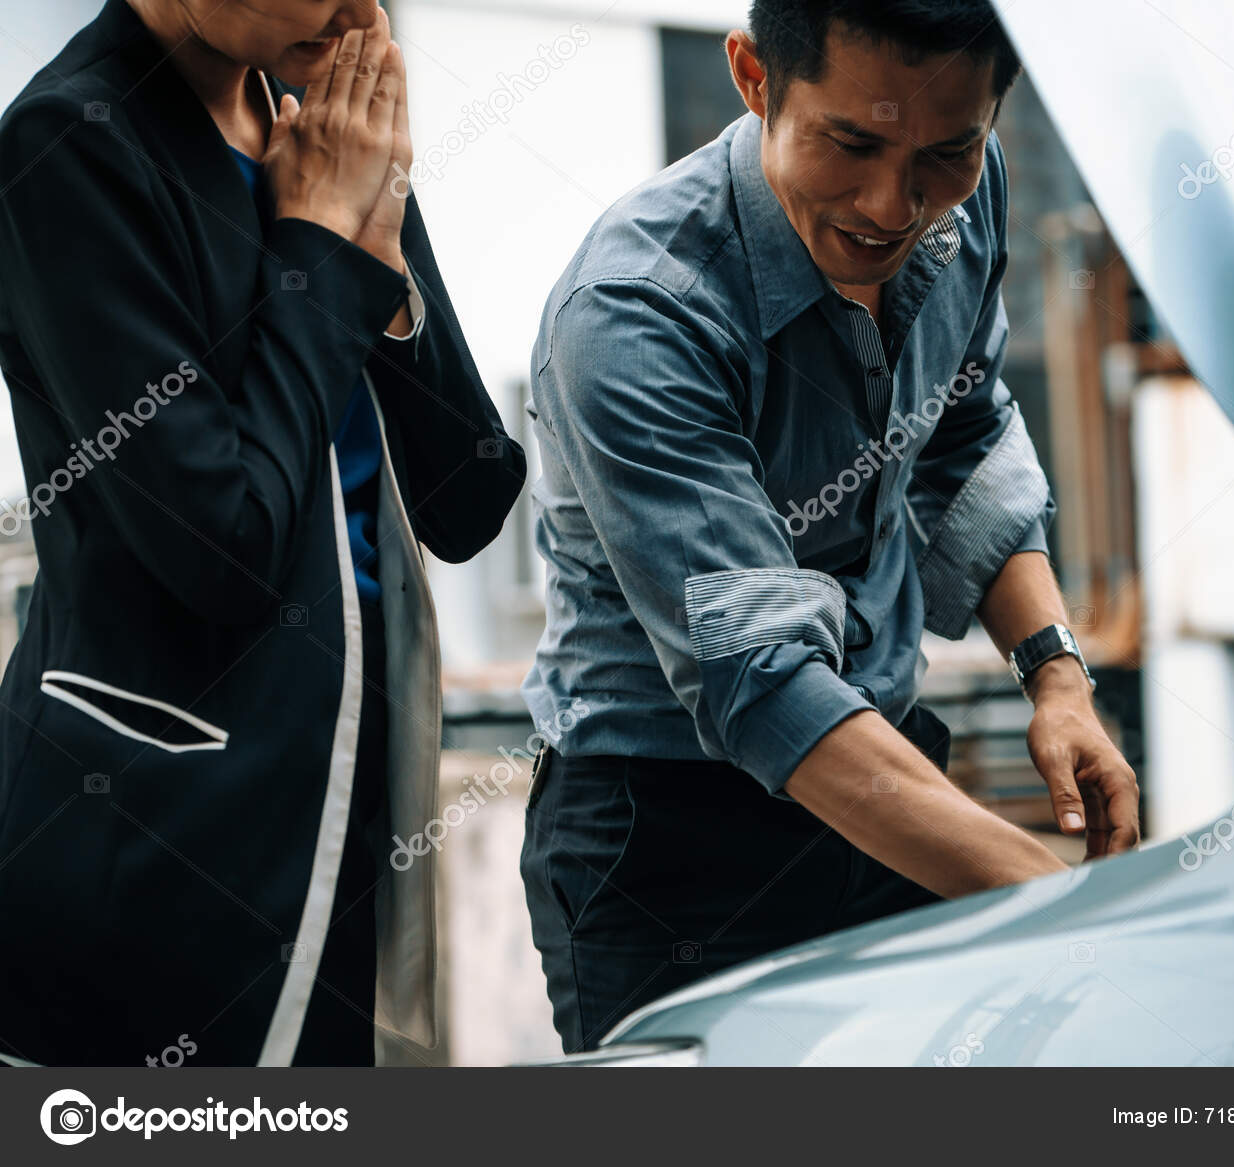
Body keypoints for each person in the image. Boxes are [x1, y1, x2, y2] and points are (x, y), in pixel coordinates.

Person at [520, 0, 1140, 1054]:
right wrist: (1075, 913)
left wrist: (1056, 675)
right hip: (669, 838)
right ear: (755, 78)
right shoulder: (634, 311)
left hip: (893, 782)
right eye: (850, 142)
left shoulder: (964, 193)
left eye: (946, 150)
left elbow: (963, 428)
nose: (892, 205)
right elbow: (762, 682)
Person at [0, 0, 525, 1066]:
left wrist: (371, 242)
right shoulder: (71, 141)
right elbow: (223, 545)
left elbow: (472, 497)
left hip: (351, 793)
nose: (360, 10)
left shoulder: (317, 115)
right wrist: (321, 244)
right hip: (160, 828)